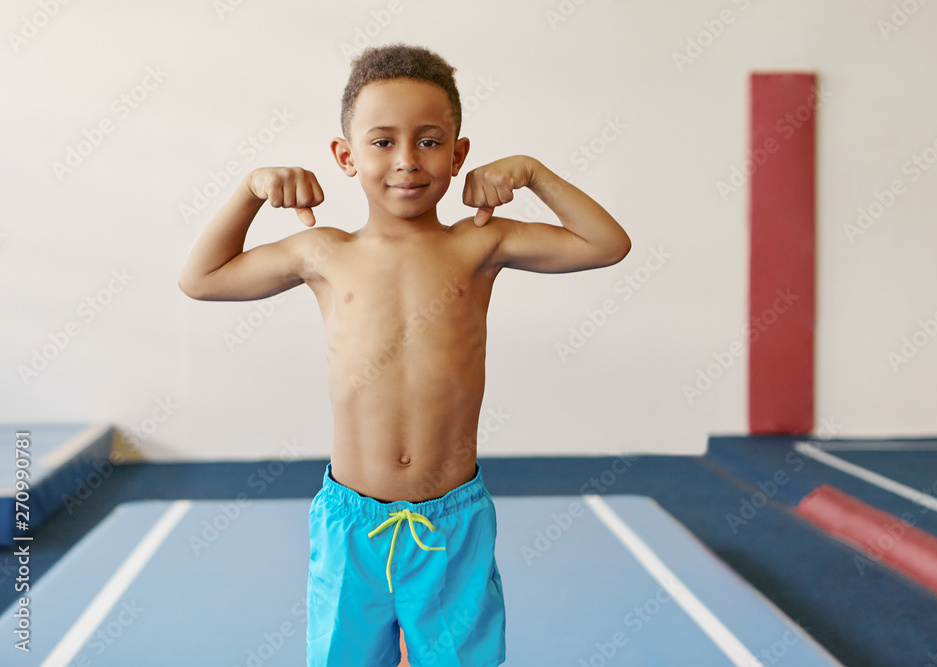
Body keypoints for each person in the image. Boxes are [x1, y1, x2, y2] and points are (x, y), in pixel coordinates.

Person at [178, 43, 630, 667]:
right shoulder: (322, 252)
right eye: (383, 142)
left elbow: (608, 244)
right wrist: (251, 190)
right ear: (345, 155)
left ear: (459, 153)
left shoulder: (480, 243)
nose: (407, 162)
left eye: (429, 140)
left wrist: (532, 172)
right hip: (350, 525)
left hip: (451, 523)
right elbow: (201, 279)